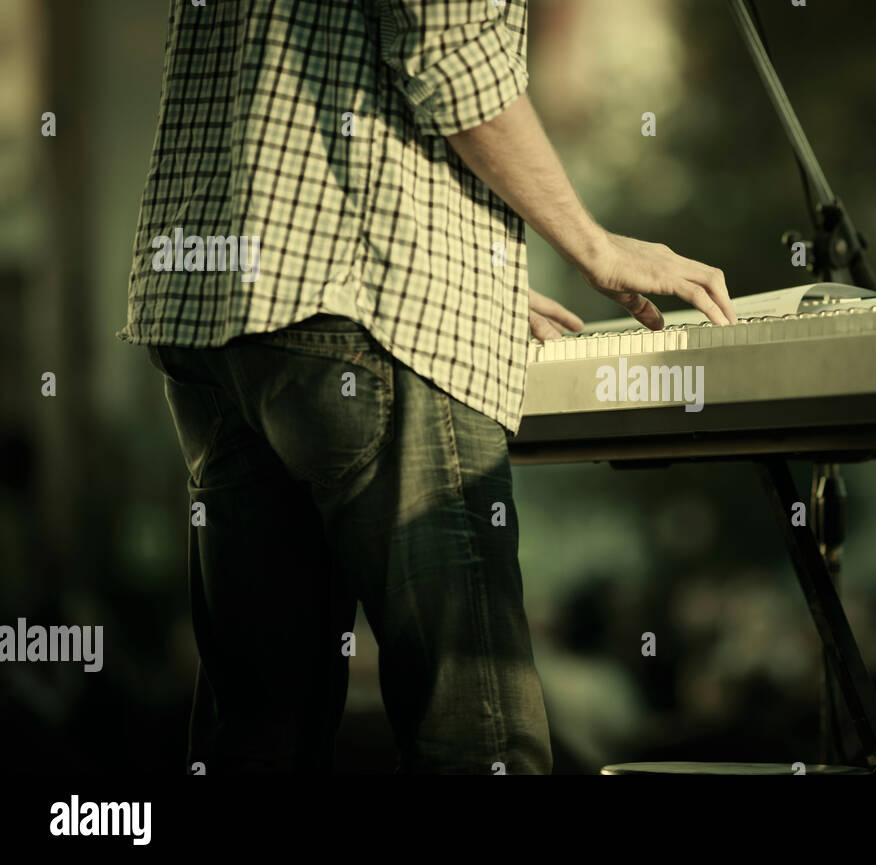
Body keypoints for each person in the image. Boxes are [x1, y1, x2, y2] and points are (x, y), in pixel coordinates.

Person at [119, 0, 734, 774]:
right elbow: (449, 53)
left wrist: (469, 272)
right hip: (361, 309)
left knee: (257, 734)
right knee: (479, 734)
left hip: (207, 302)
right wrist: (595, 245)